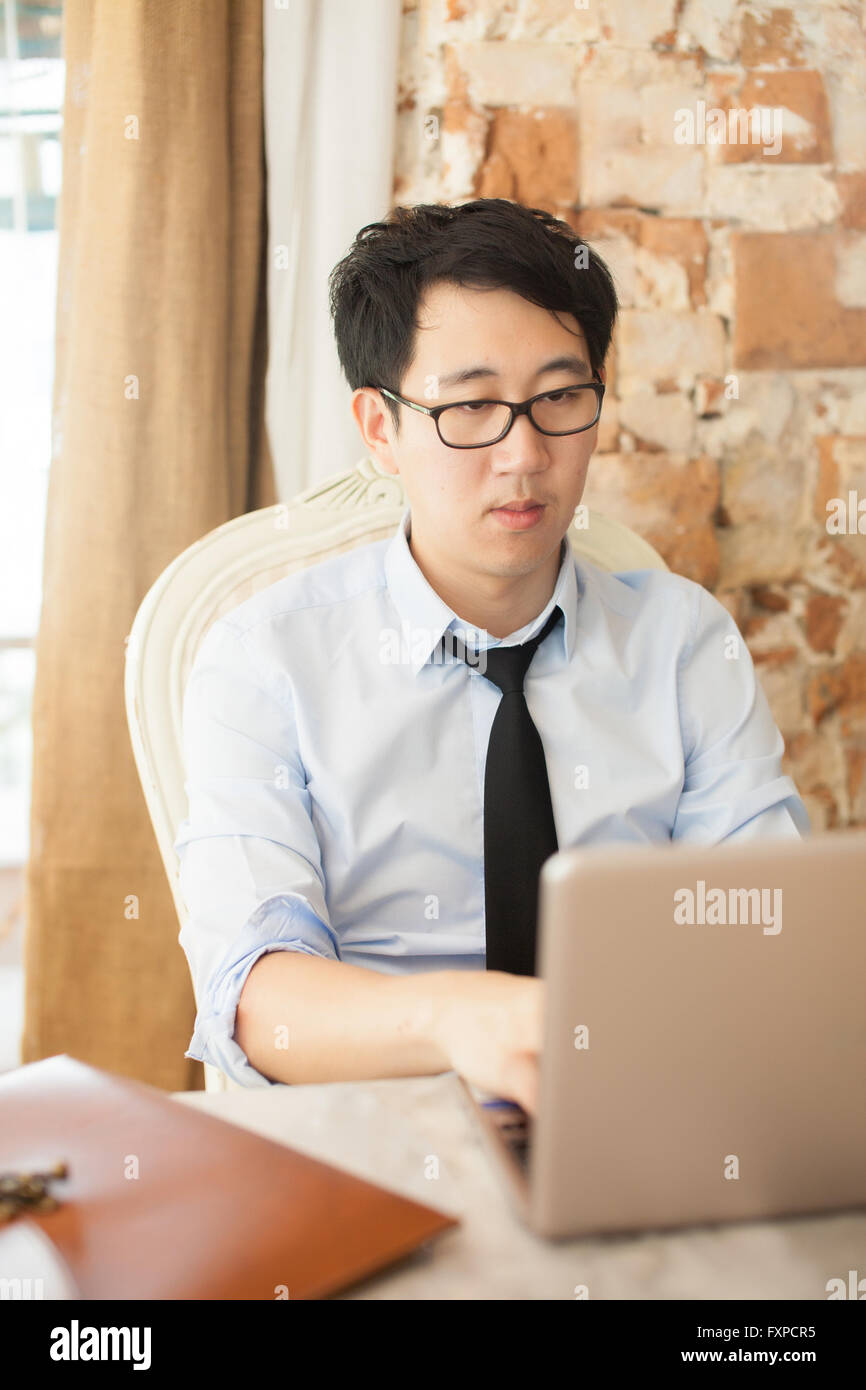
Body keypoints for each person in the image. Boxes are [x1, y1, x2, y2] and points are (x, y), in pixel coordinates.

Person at [173, 199, 809, 1113]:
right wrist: (459, 1023)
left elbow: (767, 929)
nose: (523, 453)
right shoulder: (264, 659)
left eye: (559, 398)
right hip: (379, 1130)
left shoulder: (682, 640)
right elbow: (256, 1002)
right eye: (471, 405)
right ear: (381, 427)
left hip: (645, 1111)